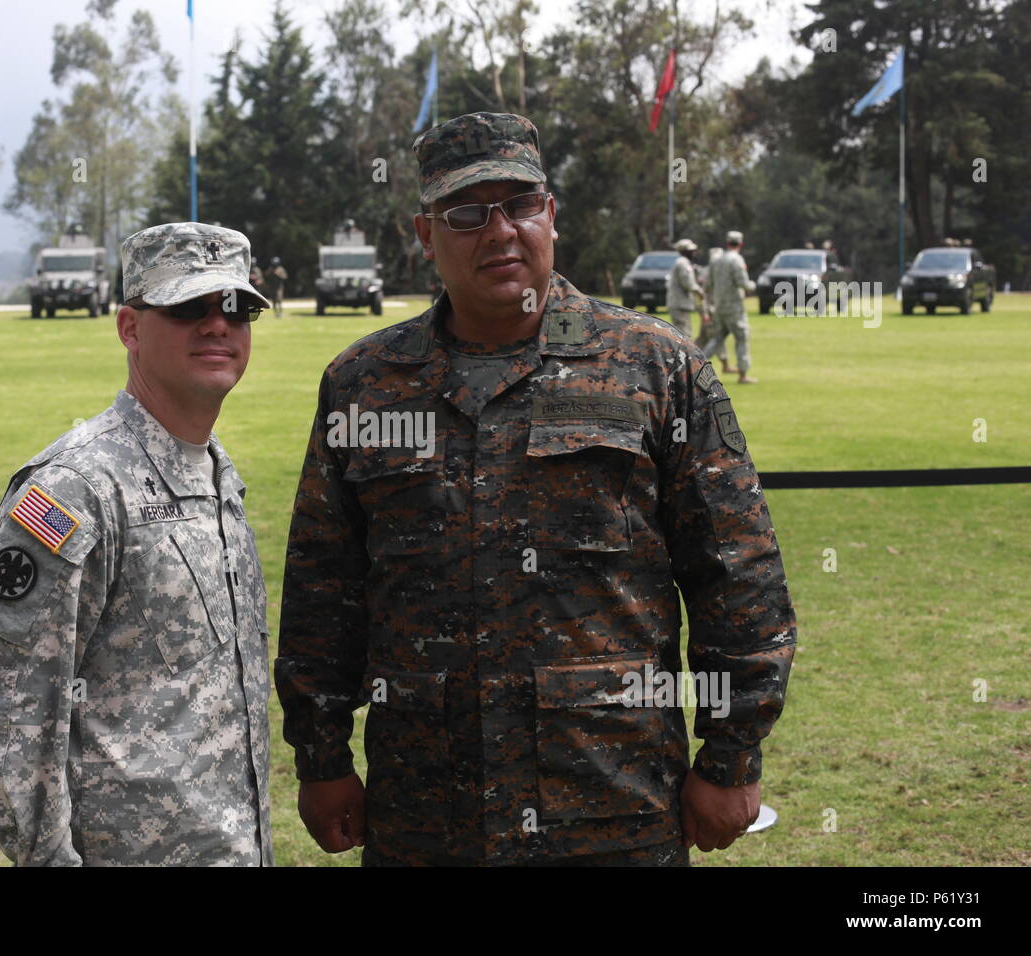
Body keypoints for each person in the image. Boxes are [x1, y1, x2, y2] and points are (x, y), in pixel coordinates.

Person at [275, 112, 797, 867]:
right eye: (466, 213)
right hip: (426, 817)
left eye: (519, 205)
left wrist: (732, 757)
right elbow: (325, 588)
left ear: (550, 214)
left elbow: (737, 575)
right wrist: (321, 757)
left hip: (613, 807)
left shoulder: (656, 369)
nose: (499, 232)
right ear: (426, 235)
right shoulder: (365, 386)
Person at [0, 222, 274, 866]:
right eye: (189, 306)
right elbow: (17, 719)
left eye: (237, 308)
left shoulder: (216, 472)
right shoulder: (74, 490)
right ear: (130, 328)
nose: (219, 325)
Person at [702, 230, 758, 384]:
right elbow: (743, 283)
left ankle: (697, 366)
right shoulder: (737, 260)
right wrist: (752, 284)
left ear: (727, 243)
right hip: (734, 307)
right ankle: (743, 375)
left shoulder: (716, 260)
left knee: (717, 339)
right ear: (740, 244)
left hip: (719, 306)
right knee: (742, 338)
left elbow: (708, 285)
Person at [695, 247, 732, 373]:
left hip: (715, 310)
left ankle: (691, 360)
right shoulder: (707, 273)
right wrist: (704, 312)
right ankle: (722, 365)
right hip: (710, 311)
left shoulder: (719, 273)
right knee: (717, 337)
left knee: (702, 338)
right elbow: (701, 295)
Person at [667, 238, 708, 337]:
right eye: (691, 250)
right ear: (684, 251)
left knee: (683, 334)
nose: (694, 252)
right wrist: (700, 291)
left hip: (679, 304)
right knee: (683, 336)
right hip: (679, 304)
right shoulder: (683, 263)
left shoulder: (683, 262)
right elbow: (688, 283)